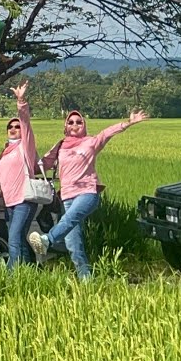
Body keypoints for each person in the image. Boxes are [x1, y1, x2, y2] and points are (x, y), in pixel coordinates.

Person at [29, 108, 149, 278]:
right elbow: (41, 166)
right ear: (65, 126)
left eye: (79, 122)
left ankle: (47, 240)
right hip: (67, 196)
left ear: (84, 125)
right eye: (71, 122)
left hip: (87, 192)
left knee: (68, 219)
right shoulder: (60, 146)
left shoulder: (91, 142)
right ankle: (86, 279)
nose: (75, 125)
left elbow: (107, 133)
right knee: (73, 243)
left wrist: (128, 123)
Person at [0, 80, 38, 268]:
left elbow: (26, 125)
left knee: (13, 237)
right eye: (10, 127)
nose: (13, 129)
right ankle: (28, 273)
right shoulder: (5, 151)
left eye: (16, 126)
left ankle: (13, 276)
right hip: (9, 202)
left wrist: (21, 102)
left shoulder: (24, 147)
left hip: (24, 200)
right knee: (19, 239)